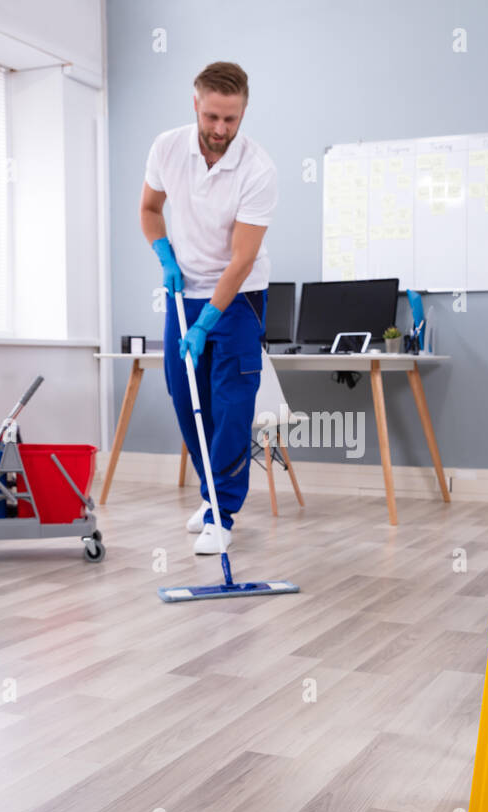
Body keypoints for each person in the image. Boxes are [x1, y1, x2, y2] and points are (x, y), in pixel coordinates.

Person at [140, 61, 277, 555]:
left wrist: (207, 322)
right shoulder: (167, 148)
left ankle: (223, 510)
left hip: (238, 298)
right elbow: (150, 210)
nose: (221, 130)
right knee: (187, 400)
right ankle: (211, 492)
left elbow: (241, 259)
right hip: (183, 293)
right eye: (213, 117)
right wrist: (164, 254)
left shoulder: (258, 170)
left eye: (232, 120)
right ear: (196, 103)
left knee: (231, 405)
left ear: (244, 112)